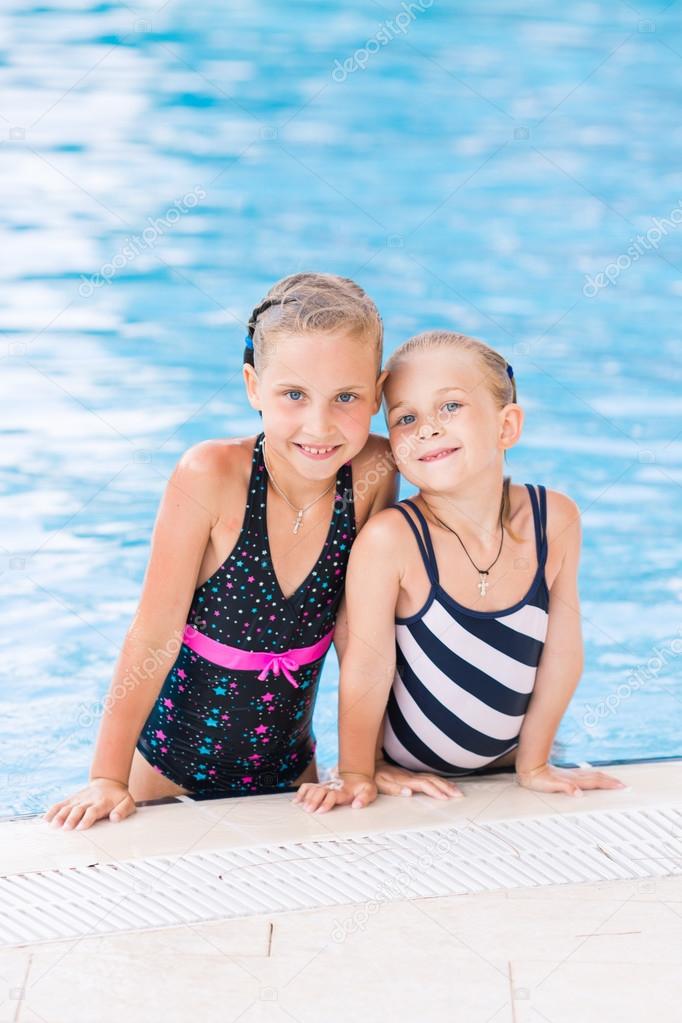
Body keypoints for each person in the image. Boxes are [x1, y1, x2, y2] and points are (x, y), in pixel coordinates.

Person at [44, 272, 397, 830]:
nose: (320, 425)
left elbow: (360, 638)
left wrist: (362, 767)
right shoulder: (210, 475)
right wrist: (106, 778)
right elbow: (153, 632)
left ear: (378, 393)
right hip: (167, 774)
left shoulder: (373, 473)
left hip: (291, 777)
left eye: (346, 397)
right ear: (254, 386)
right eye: (294, 395)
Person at [293, 329, 626, 814]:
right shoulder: (394, 541)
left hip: (510, 755)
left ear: (506, 426)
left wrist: (532, 765)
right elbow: (366, 666)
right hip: (409, 762)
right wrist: (359, 772)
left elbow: (562, 651)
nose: (427, 428)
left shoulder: (553, 520)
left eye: (450, 406)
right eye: (406, 417)